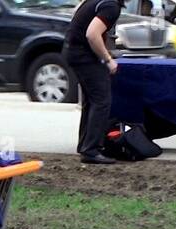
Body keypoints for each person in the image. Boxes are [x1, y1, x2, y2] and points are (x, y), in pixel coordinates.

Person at [64, 0, 126, 165]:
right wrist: (108, 59)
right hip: (84, 55)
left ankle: (85, 145)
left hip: (73, 51)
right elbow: (92, 34)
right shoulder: (111, 6)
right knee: (102, 101)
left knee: (91, 101)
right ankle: (91, 150)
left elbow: (77, 14)